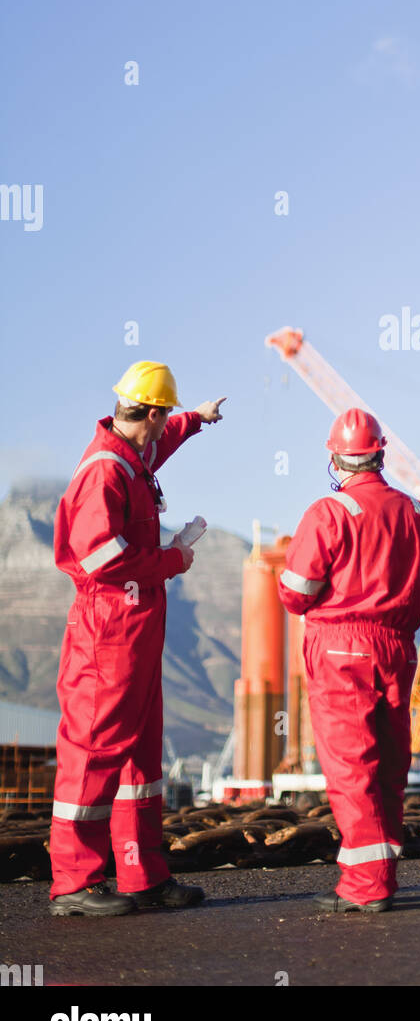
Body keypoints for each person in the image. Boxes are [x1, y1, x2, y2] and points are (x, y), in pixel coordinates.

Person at [49, 361, 226, 917]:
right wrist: (172, 560)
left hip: (136, 629)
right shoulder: (104, 473)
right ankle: (74, 883)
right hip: (108, 629)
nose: (166, 423)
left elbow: (159, 444)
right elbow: (102, 559)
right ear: (148, 412)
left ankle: (141, 875)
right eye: (166, 414)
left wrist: (195, 420)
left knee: (140, 756)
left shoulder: (130, 452)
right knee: (95, 748)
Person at [277, 407, 420, 912]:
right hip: (397, 647)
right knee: (389, 763)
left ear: (336, 458)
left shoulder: (329, 513)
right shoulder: (418, 514)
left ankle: (365, 888)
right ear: (381, 453)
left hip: (340, 646)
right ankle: (381, 875)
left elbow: (294, 592)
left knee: (353, 766)